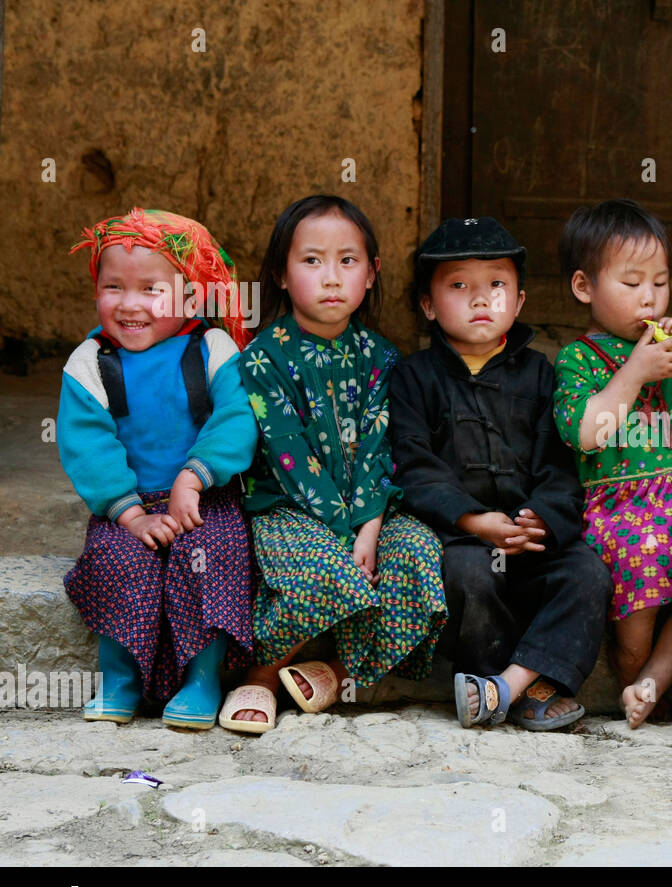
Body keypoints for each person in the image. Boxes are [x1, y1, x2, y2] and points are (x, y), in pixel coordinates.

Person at [219, 195, 446, 733]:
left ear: (372, 274)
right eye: (312, 260)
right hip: (286, 512)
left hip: (369, 515)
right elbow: (288, 451)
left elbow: (379, 451)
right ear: (280, 273)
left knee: (417, 553)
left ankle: (338, 671)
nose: (331, 277)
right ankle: (263, 674)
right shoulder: (261, 357)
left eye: (348, 260)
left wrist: (368, 529)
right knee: (327, 570)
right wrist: (347, 538)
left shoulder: (381, 357)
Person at [389, 216, 609, 731]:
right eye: (459, 286)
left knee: (587, 574)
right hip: (464, 540)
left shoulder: (540, 373)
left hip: (534, 540)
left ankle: (509, 688)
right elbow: (414, 466)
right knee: (468, 576)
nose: (480, 299)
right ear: (427, 305)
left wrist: (541, 518)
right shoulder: (412, 377)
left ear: (520, 300)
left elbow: (561, 465)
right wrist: (472, 520)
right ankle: (509, 685)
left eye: (496, 285)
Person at [61, 208, 257, 730]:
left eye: (151, 289)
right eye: (113, 288)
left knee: (209, 553)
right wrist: (130, 515)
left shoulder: (212, 348)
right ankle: (121, 678)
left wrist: (193, 477)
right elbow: (88, 445)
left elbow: (236, 419)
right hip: (127, 504)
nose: (129, 305)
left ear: (191, 297)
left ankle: (202, 679)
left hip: (202, 497)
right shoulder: (90, 361)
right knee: (117, 560)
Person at [552, 200, 672, 728]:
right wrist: (635, 370)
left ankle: (655, 678)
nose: (649, 297)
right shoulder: (578, 358)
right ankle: (632, 675)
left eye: (660, 282)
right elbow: (586, 432)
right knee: (641, 569)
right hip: (622, 510)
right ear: (585, 287)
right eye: (631, 283)